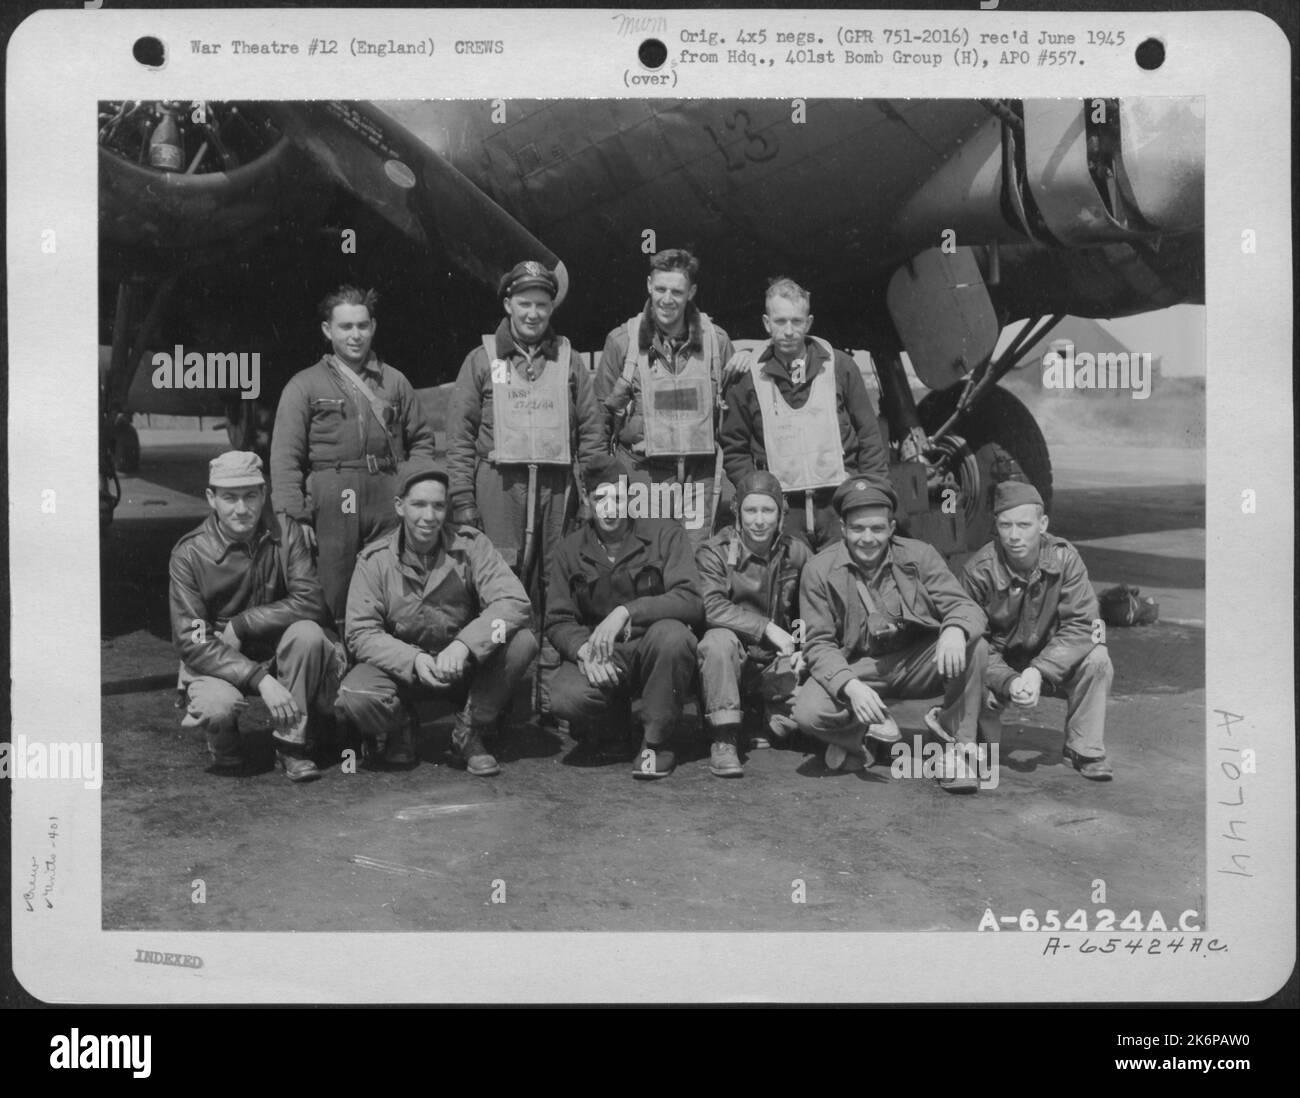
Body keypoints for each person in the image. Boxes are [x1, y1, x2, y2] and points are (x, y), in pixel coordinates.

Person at [336, 460, 538, 776]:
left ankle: (469, 730)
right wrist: (413, 660)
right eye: (418, 505)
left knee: (521, 640)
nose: (429, 517)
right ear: (399, 506)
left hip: (464, 667)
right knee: (356, 694)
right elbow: (360, 632)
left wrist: (465, 646)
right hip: (404, 672)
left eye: (438, 506)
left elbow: (513, 600)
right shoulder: (374, 561)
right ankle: (401, 727)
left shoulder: (472, 545)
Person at [792, 478, 990, 793]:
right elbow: (818, 644)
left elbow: (966, 607)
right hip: (861, 669)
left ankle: (955, 746)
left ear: (892, 528)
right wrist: (851, 687)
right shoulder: (818, 569)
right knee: (808, 711)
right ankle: (864, 736)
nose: (867, 538)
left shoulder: (920, 555)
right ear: (843, 528)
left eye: (877, 529)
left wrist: (954, 628)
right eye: (857, 529)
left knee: (974, 647)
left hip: (916, 662)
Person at [270, 285, 436, 633]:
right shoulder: (304, 386)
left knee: (389, 581)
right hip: (332, 496)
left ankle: (382, 661)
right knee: (333, 584)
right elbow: (285, 457)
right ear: (328, 330)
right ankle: (335, 664)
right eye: (345, 327)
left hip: (386, 495)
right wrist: (295, 516)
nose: (355, 335)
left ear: (373, 326)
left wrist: (413, 490)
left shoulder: (395, 382)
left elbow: (421, 439)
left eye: (362, 325)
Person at [169, 451, 341, 782]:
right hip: (220, 658)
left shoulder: (287, 533)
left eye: (251, 496)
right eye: (229, 497)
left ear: (264, 494)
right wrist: (260, 680)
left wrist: (242, 623)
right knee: (217, 706)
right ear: (211, 498)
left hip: (276, 651)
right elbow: (193, 640)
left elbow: (311, 602)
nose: (242, 508)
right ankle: (223, 738)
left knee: (308, 634)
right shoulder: (188, 553)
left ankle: (292, 744)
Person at [445, 260, 605, 607]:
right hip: (499, 485)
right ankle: (509, 656)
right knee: (500, 572)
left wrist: (593, 497)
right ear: (508, 305)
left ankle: (553, 654)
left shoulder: (569, 359)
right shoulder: (480, 360)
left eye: (541, 305)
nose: (533, 314)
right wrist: (462, 500)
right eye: (524, 304)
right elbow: (459, 438)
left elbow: (592, 433)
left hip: (557, 487)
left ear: (551, 307)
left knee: (559, 571)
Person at [545, 455, 704, 780]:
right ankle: (613, 727)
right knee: (565, 696)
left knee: (674, 636)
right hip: (603, 655)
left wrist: (627, 612)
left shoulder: (665, 534)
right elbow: (558, 619)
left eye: (618, 497)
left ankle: (657, 740)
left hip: (652, 651)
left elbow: (690, 600)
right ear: (587, 502)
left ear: (632, 498)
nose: (610, 507)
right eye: (600, 498)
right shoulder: (568, 550)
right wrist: (584, 651)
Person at [719, 277, 890, 550]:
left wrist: (867, 495)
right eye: (780, 321)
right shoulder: (746, 378)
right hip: (784, 512)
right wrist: (759, 496)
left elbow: (869, 435)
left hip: (837, 505)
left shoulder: (841, 367)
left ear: (808, 323)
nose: (788, 331)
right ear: (766, 323)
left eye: (796, 322)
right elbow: (734, 448)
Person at [961, 480, 1115, 781]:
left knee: (1098, 657)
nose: (1014, 535)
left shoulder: (1065, 558)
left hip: (1049, 662)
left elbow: (1083, 624)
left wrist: (1038, 671)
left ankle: (1084, 748)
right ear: (996, 525)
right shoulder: (978, 570)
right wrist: (1007, 680)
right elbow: (974, 639)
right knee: (968, 655)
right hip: (999, 667)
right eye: (1006, 525)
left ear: (1042, 524)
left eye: (1024, 524)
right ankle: (974, 738)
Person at [594, 248, 736, 550]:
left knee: (696, 562)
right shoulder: (622, 342)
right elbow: (599, 419)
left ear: (691, 292)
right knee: (646, 562)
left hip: (699, 479)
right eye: (660, 289)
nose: (667, 299)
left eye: (677, 291)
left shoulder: (716, 342)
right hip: (642, 474)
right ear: (649, 285)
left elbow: (733, 415)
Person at [694, 470, 811, 777]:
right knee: (717, 640)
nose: (759, 521)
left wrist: (806, 647)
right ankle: (724, 737)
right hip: (732, 660)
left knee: (815, 717)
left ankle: (765, 717)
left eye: (768, 510)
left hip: (775, 663)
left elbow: (816, 607)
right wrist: (766, 627)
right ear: (737, 512)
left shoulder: (795, 552)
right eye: (751, 510)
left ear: (780, 514)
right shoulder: (714, 552)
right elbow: (711, 607)